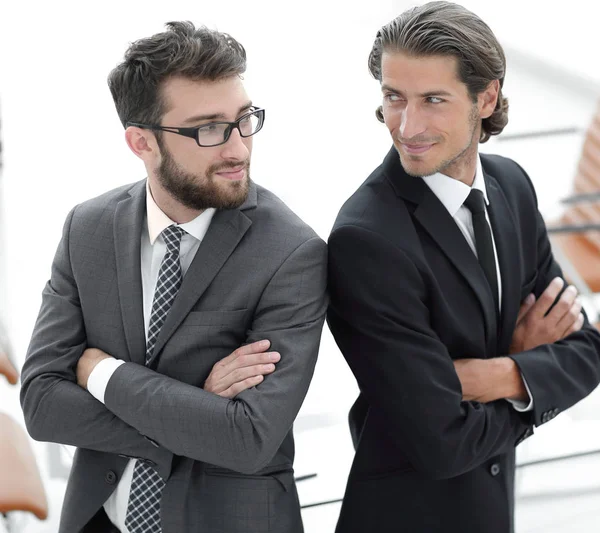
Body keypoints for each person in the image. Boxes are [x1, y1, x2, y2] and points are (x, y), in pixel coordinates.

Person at [20, 21, 327, 533]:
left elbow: (247, 439)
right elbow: (41, 404)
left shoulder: (292, 252)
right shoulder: (88, 229)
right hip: (99, 519)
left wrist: (101, 373)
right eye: (209, 129)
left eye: (244, 120)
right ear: (141, 142)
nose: (238, 149)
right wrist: (196, 410)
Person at [327, 2, 600, 532]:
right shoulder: (366, 239)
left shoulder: (512, 186)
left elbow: (585, 351)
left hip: (492, 512)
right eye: (393, 97)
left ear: (487, 97)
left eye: (433, 100)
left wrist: (491, 374)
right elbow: (441, 443)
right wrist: (525, 366)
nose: (407, 125)